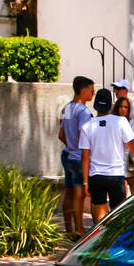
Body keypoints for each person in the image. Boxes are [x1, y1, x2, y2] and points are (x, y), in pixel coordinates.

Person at [81, 87, 134, 223]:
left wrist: (85, 181)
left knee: (99, 213)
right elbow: (133, 148)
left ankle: (100, 241)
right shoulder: (120, 121)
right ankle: (114, 242)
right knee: (118, 214)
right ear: (111, 104)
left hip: (96, 175)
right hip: (116, 174)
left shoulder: (86, 126)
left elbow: (85, 157)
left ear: (95, 105)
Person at [57, 75, 94, 238]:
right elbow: (83, 134)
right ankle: (80, 229)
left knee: (70, 192)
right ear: (84, 91)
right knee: (80, 194)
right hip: (79, 157)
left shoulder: (68, 108)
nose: (93, 94)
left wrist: (70, 146)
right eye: (92, 90)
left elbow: (61, 134)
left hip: (67, 155)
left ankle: (68, 229)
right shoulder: (84, 112)